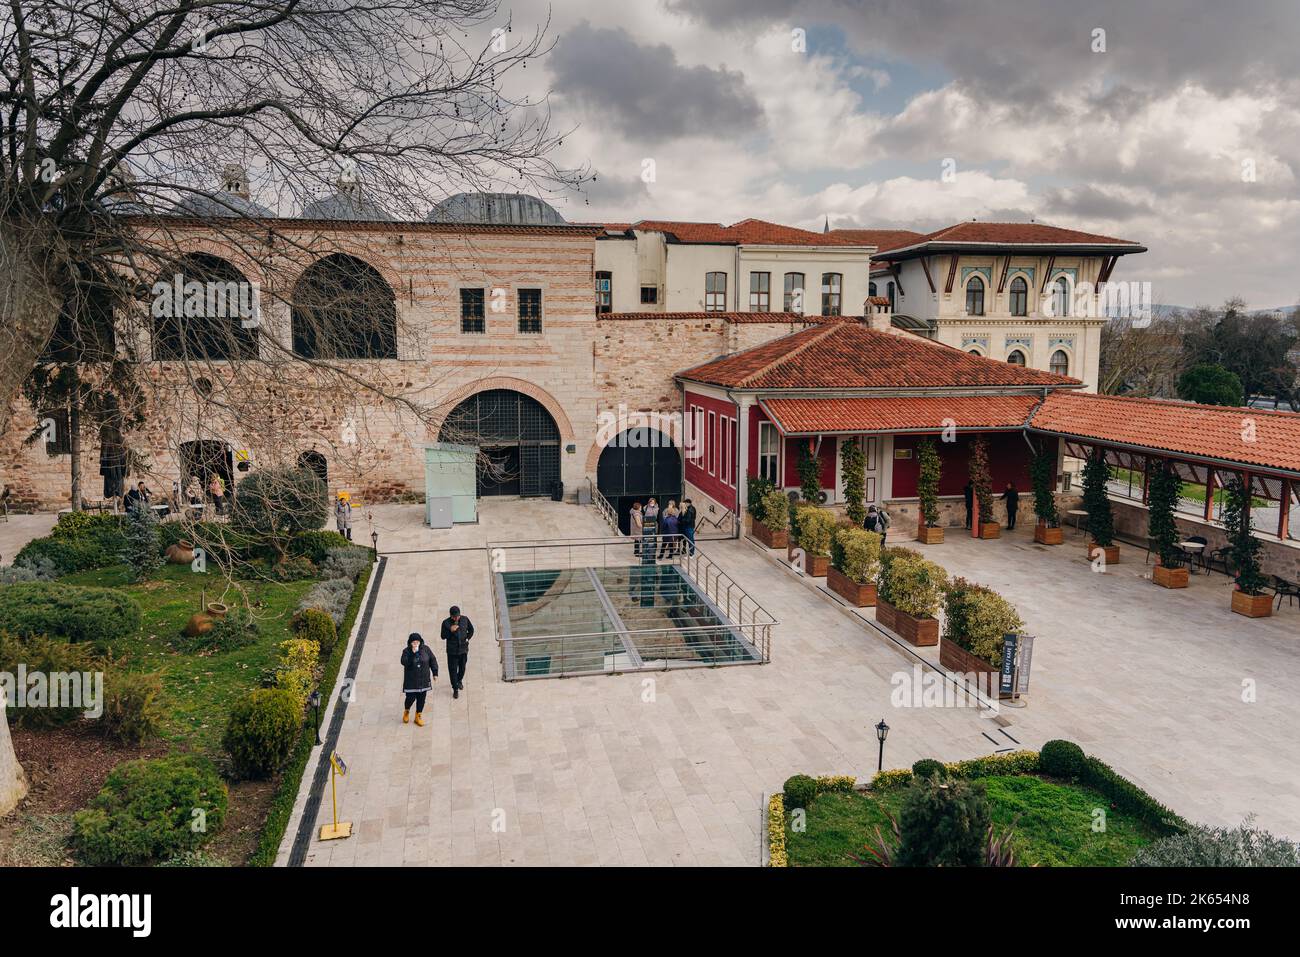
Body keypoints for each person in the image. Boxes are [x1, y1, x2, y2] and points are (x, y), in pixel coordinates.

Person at [400, 632, 438, 726]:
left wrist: (435, 672)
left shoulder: (426, 649)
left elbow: (432, 660)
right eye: (413, 642)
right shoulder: (406, 651)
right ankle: (407, 711)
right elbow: (404, 662)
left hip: (423, 680)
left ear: (420, 641)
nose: (415, 643)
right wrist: (413, 653)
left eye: (417, 641)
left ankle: (418, 716)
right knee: (410, 698)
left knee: (421, 699)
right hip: (411, 681)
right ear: (410, 643)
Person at [440, 605, 474, 700]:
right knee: (453, 671)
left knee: (462, 668)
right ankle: (455, 688)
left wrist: (467, 637)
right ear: (451, 616)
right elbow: (442, 636)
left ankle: (459, 681)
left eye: (458, 616)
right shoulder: (446, 623)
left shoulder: (465, 619)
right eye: (454, 617)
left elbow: (471, 630)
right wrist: (450, 630)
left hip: (463, 650)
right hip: (452, 652)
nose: (456, 618)